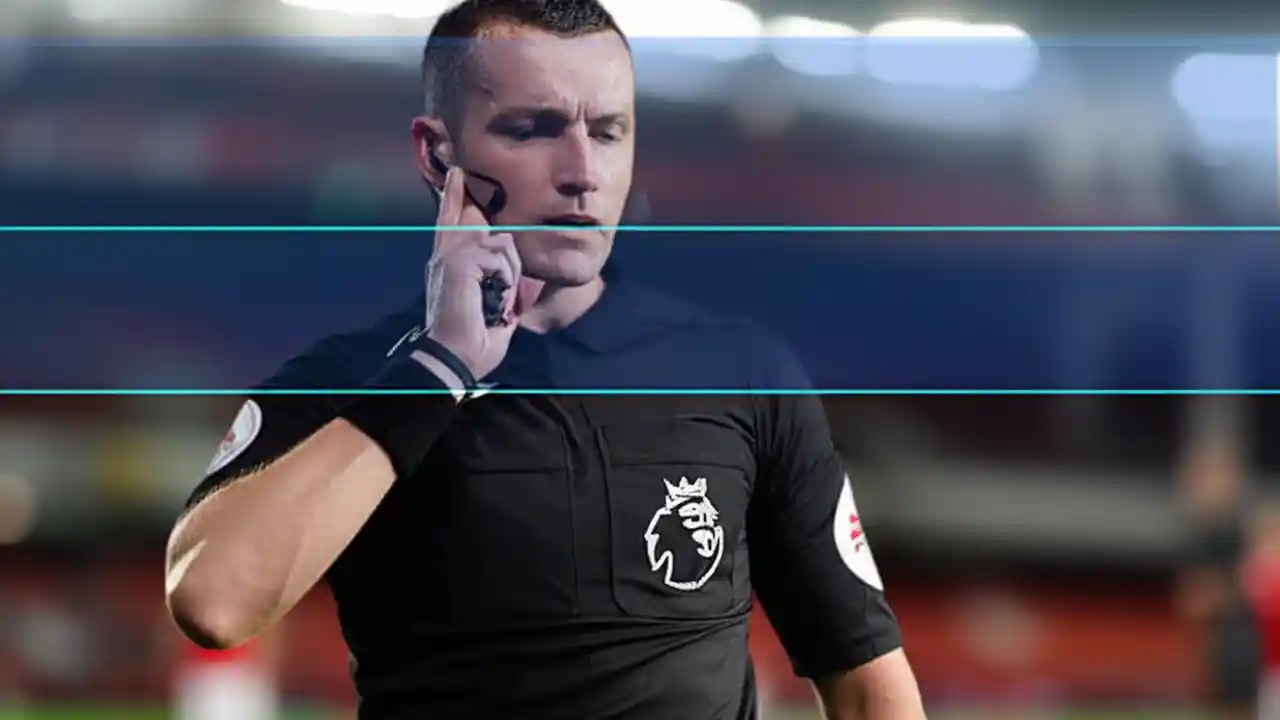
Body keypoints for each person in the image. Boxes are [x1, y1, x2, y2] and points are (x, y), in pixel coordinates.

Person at [163, 1, 925, 718]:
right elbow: (213, 603)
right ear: (437, 154)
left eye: (609, 132)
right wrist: (441, 369)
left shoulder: (742, 373)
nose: (582, 170)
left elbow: (867, 685)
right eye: (534, 129)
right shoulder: (358, 378)